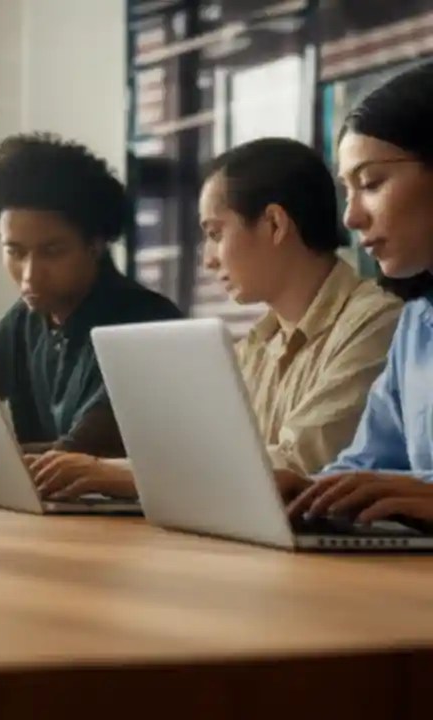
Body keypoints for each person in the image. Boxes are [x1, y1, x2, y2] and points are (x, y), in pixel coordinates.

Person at [28, 138, 401, 501]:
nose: (208, 258)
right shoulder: (256, 345)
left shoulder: (378, 322)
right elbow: (201, 458)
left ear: (274, 223)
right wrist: (100, 470)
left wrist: (116, 475)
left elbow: (299, 464)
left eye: (215, 233)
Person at [286, 61, 433, 526]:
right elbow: (369, 462)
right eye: (346, 191)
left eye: (370, 184)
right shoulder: (417, 321)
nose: (350, 218)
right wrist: (307, 492)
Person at [0, 133, 181, 457]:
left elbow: (80, 453)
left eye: (52, 252)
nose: (29, 275)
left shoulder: (147, 323)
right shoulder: (24, 318)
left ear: (96, 243)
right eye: (14, 252)